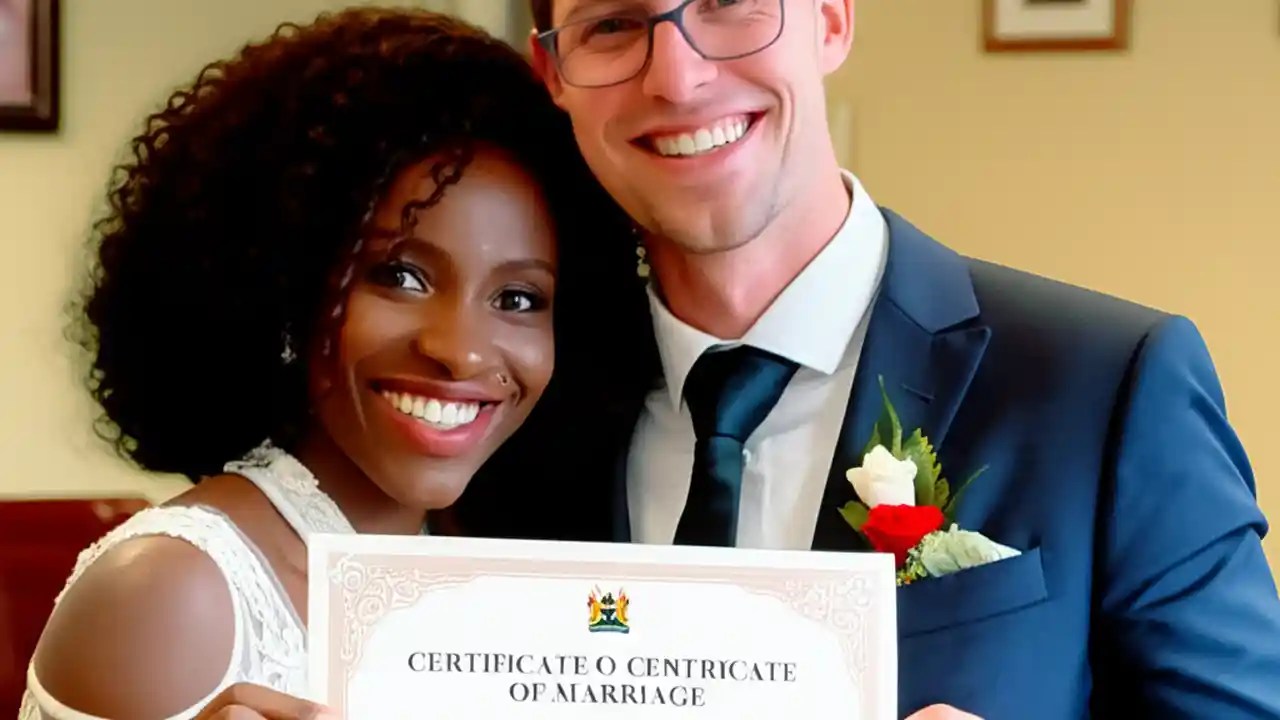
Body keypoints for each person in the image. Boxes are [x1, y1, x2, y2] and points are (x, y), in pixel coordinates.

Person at [526, 0, 1280, 718]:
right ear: (551, 72)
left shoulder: (1109, 387)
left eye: (730, 2)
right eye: (614, 24)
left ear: (831, 17)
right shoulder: (527, 414)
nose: (677, 76)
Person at [19, 7, 647, 719]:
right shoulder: (176, 593)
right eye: (400, 276)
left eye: (517, 296)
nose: (462, 349)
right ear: (287, 284)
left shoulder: (493, 572)